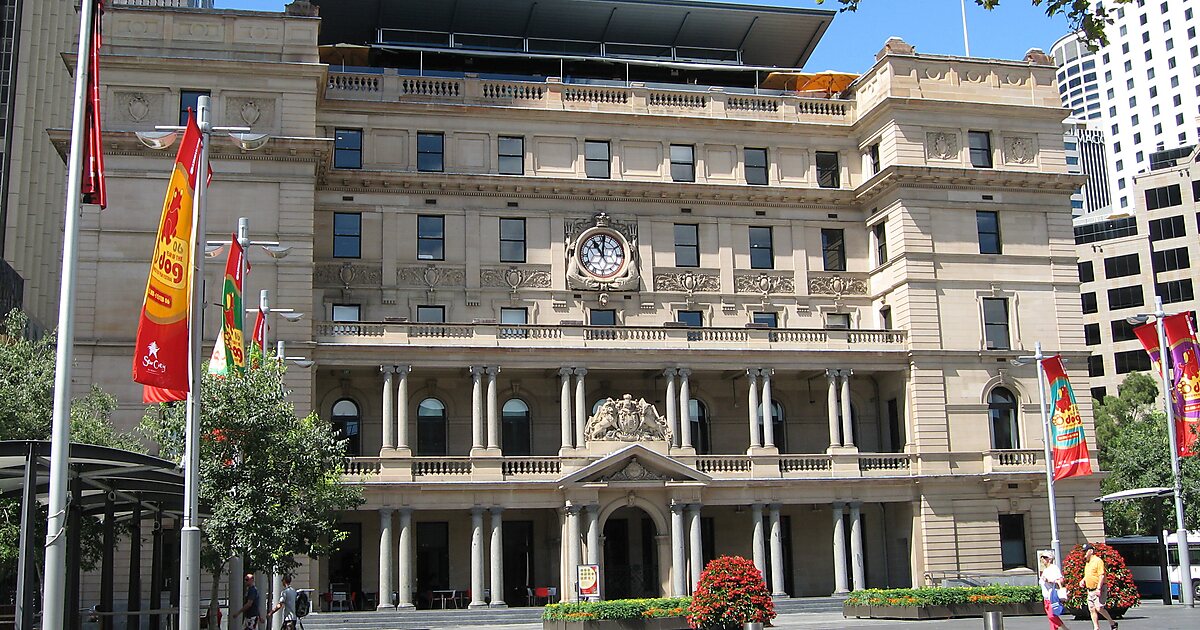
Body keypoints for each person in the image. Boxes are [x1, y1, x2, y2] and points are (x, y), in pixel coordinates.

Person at [1079, 543, 1117, 630]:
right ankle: (1096, 628)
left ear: (1091, 551)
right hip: (1090, 589)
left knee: (1099, 608)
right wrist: (1083, 580)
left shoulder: (1098, 561)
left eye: (1085, 551)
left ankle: (1112, 623)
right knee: (1092, 609)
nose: (1084, 553)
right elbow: (1089, 574)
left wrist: (1098, 589)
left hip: (1099, 588)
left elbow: (1101, 575)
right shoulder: (1087, 562)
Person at [1038, 550, 1068, 629]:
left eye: (1044, 558)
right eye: (1042, 558)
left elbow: (1060, 579)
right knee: (1051, 619)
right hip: (1046, 598)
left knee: (1052, 616)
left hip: (1052, 596)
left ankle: (1065, 628)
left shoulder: (1053, 568)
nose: (1042, 560)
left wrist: (1049, 580)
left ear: (1049, 559)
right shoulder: (1045, 570)